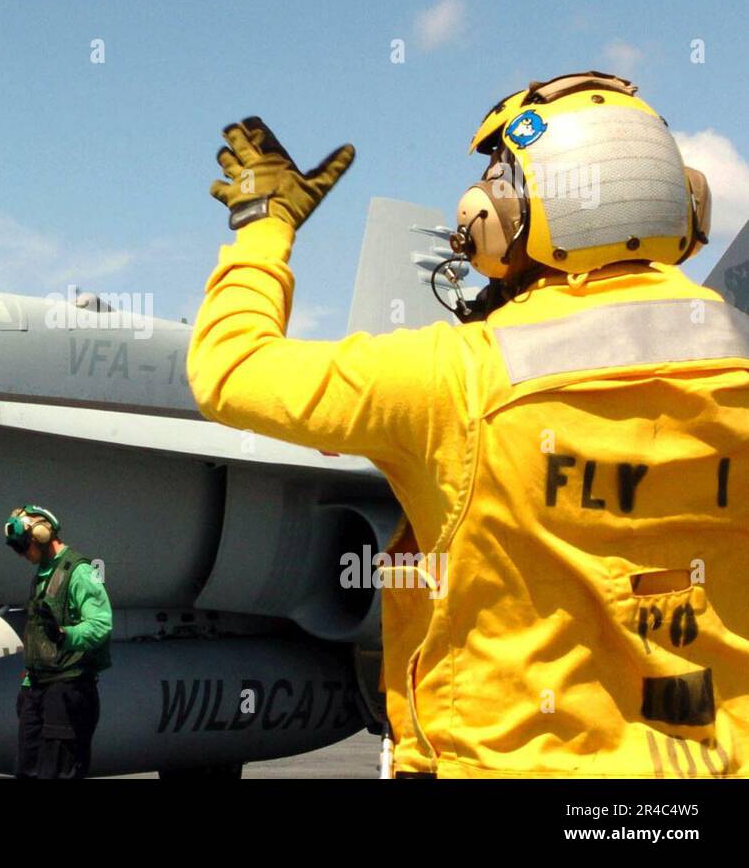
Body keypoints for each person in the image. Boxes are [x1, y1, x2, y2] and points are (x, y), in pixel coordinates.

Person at [187, 71, 749, 778]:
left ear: (503, 216)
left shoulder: (451, 379)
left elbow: (228, 368)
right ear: (685, 207)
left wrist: (263, 224)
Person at [4, 504, 112, 778]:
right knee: (27, 770)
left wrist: (66, 635)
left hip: (69, 686)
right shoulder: (42, 574)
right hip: (38, 687)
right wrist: (28, 685)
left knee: (60, 770)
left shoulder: (80, 571)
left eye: (23, 546)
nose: (22, 554)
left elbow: (101, 625)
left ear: (41, 536)